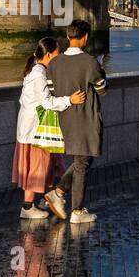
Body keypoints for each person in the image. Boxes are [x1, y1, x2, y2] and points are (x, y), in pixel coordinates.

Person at [12, 37, 85, 220]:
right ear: (49, 54)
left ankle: (51, 199)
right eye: (58, 53)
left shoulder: (38, 70)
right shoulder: (38, 75)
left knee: (51, 164)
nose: (59, 57)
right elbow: (46, 102)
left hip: (35, 128)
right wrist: (70, 100)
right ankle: (28, 208)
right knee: (37, 168)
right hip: (36, 131)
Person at [47, 18, 108, 224]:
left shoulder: (54, 63)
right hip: (86, 118)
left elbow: (52, 92)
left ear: (68, 36)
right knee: (83, 162)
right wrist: (102, 71)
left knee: (83, 159)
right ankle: (77, 210)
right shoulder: (90, 62)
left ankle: (59, 192)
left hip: (65, 117)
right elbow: (102, 89)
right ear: (86, 37)